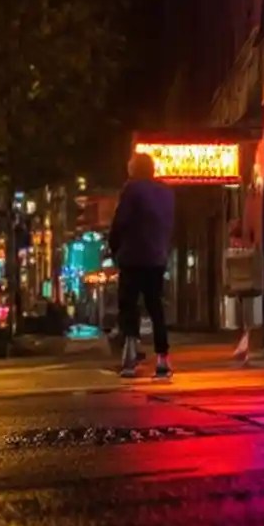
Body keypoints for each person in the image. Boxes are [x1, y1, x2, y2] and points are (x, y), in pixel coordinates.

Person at [110, 152, 176, 379]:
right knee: (156, 307)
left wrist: (114, 248)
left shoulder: (132, 190)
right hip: (157, 257)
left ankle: (129, 356)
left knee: (129, 306)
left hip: (132, 257)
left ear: (134, 169)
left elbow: (120, 222)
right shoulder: (166, 192)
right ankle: (163, 359)